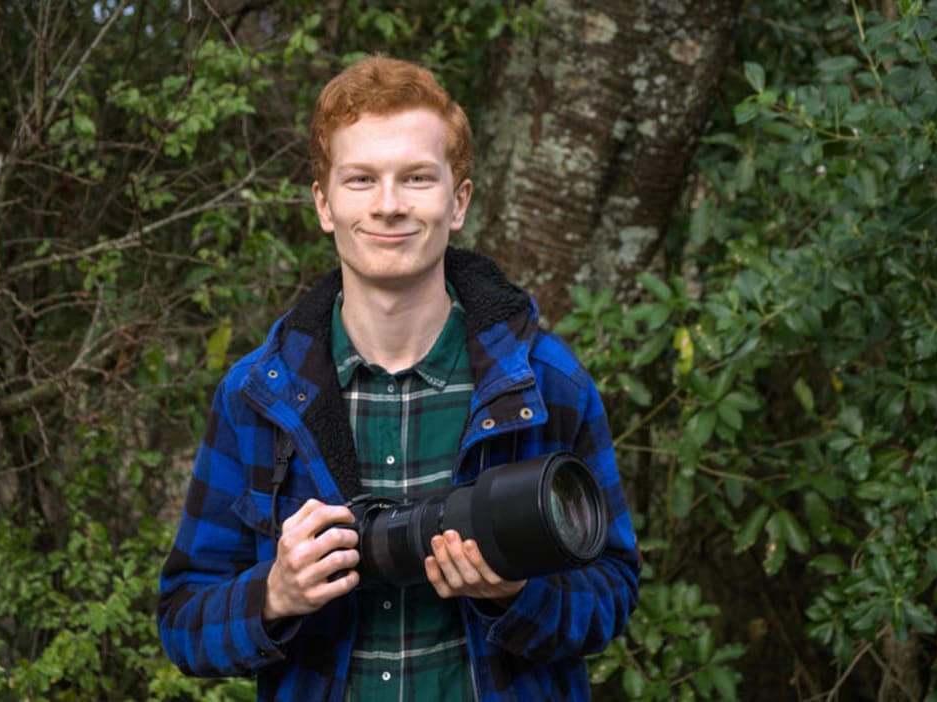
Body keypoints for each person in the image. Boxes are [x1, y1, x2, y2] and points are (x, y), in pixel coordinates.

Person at [157, 55, 640, 701]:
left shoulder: (545, 385)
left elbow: (613, 591)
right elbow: (183, 623)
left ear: (457, 200)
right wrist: (274, 593)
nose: (388, 206)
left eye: (416, 178)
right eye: (361, 180)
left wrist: (517, 593)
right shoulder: (258, 398)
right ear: (324, 204)